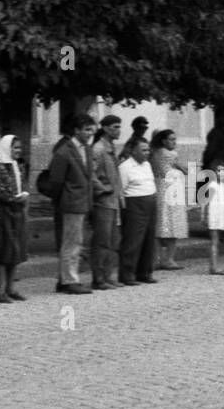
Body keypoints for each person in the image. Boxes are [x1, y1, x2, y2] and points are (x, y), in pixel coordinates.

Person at [49, 114, 96, 294]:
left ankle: (64, 278)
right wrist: (62, 199)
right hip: (71, 201)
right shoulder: (64, 151)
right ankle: (70, 280)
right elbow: (56, 181)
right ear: (76, 130)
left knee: (75, 240)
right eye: (86, 129)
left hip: (82, 200)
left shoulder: (86, 149)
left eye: (91, 129)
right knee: (72, 242)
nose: (90, 133)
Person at [0, 134, 30, 303]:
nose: (18, 151)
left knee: (15, 251)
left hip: (17, 212)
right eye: (15, 148)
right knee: (3, 251)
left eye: (19, 148)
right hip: (4, 212)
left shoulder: (17, 166)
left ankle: (10, 288)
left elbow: (21, 186)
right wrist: (15, 198)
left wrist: (23, 197)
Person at [117, 138, 159, 286]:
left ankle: (145, 272)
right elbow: (120, 191)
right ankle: (127, 274)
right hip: (134, 204)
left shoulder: (147, 164)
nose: (147, 153)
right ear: (133, 150)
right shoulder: (125, 167)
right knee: (133, 240)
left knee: (149, 239)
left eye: (148, 150)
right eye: (143, 150)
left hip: (150, 203)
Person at [89, 115, 124, 291]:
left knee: (113, 240)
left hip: (114, 201)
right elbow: (91, 174)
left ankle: (108, 275)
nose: (119, 130)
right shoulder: (98, 148)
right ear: (106, 128)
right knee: (102, 240)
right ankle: (98, 278)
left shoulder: (111, 147)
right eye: (116, 127)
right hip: (103, 201)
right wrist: (103, 188)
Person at [151, 129, 188, 270]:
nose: (174, 142)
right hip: (171, 191)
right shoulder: (169, 154)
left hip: (161, 189)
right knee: (174, 225)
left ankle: (157, 258)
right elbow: (183, 170)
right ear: (164, 141)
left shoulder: (155, 153)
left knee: (161, 225)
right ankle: (169, 259)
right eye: (171, 139)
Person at [199, 127, 224, 274]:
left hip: (216, 206)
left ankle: (214, 264)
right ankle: (213, 266)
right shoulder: (215, 177)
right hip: (215, 207)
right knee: (215, 238)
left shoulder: (219, 183)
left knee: (216, 238)